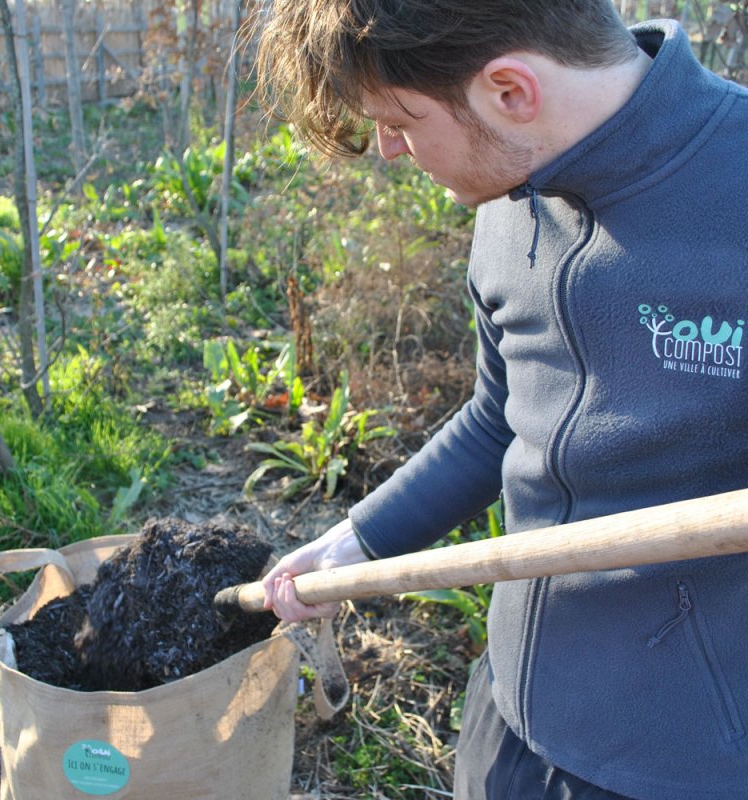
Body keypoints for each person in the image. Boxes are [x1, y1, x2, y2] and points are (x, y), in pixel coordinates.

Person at [254, 2, 748, 798]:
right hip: (506, 716)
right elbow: (497, 418)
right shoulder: (506, 196)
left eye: (398, 121)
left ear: (511, 91)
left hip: (681, 763)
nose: (387, 148)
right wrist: (359, 539)